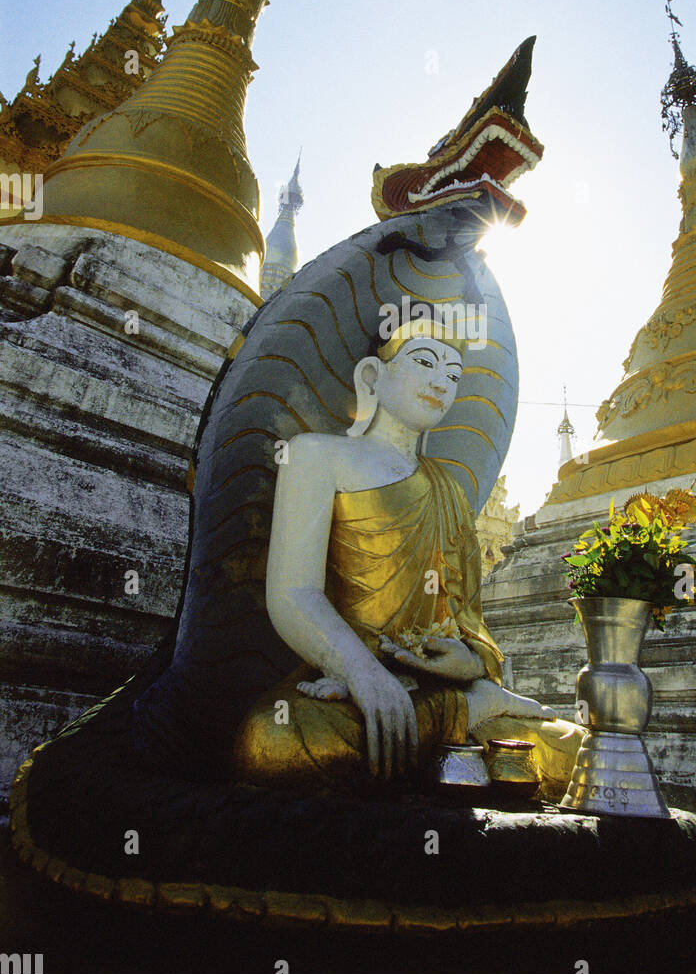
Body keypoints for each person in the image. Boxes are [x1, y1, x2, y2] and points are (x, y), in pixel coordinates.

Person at [232, 314, 582, 793]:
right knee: (272, 739)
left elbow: (467, 622)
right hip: (345, 686)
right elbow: (295, 593)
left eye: (454, 375)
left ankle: (447, 719)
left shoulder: (450, 492)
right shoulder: (315, 455)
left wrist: (467, 662)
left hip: (433, 684)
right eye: (425, 362)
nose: (441, 381)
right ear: (374, 375)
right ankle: (461, 719)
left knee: (575, 750)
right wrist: (363, 673)